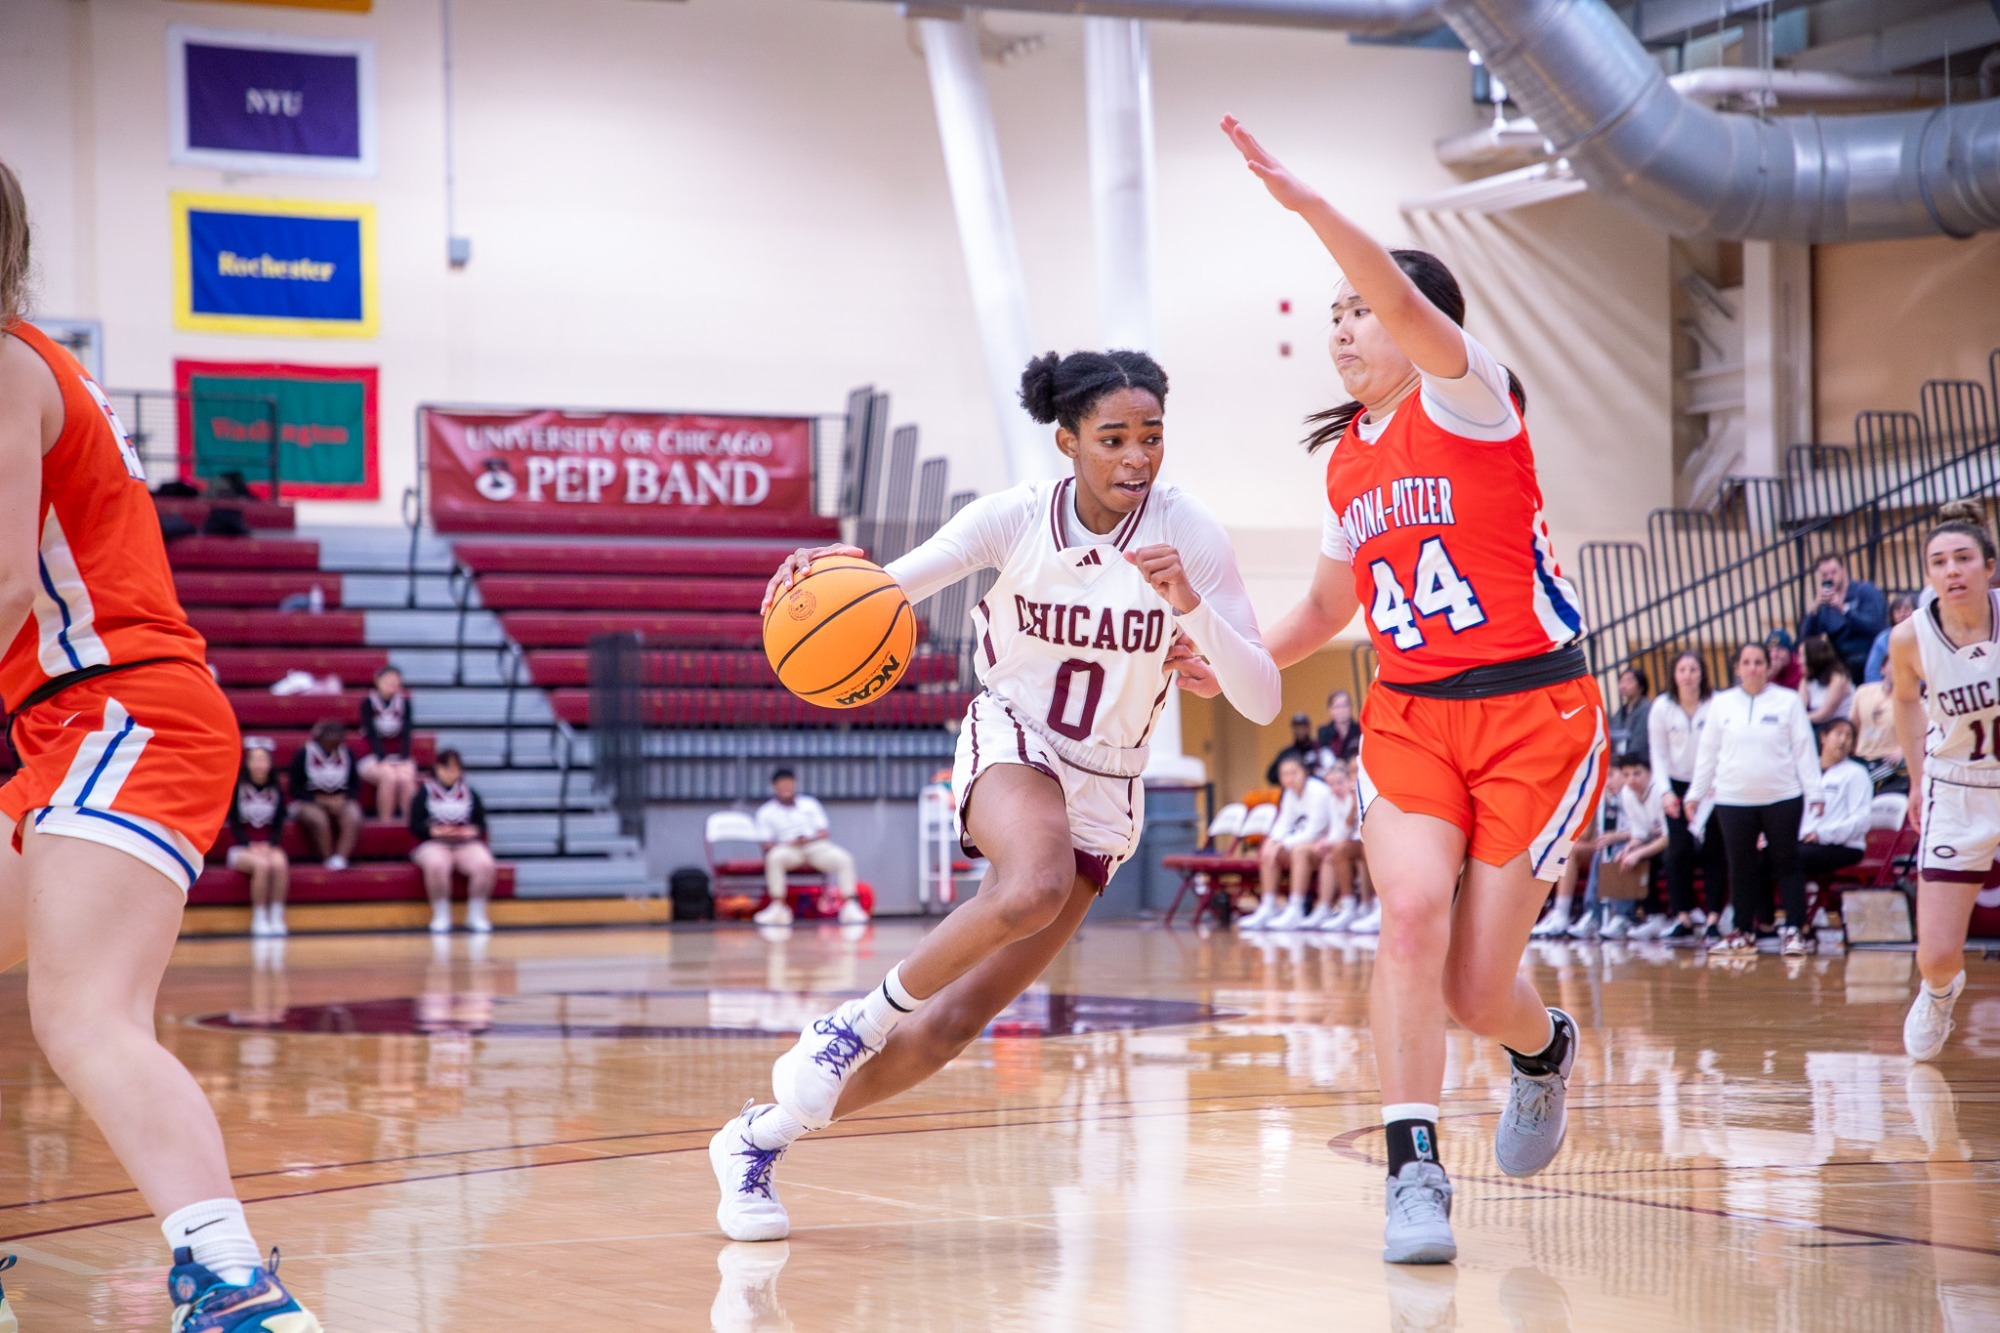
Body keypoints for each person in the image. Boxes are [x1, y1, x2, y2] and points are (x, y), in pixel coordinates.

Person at [710, 346, 1281, 1244]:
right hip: (1015, 735)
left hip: (1110, 782)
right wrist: (815, 576)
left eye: (1152, 437)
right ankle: (848, 1025)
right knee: (1033, 884)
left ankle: (756, 1139)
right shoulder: (1014, 519)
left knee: (947, 1030)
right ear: (1067, 441)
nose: (1137, 456)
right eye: (1114, 438)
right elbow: (883, 590)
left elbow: (1262, 696)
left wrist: (1192, 609)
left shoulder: (1190, 533)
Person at [1184, 118, 1606, 1265]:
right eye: (1328, 313)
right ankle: (1411, 1171)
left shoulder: (1472, 398)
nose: (1338, 326)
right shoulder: (1347, 458)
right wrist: (1225, 657)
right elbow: (1326, 611)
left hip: (1535, 714)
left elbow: (1401, 299)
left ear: (1418, 322)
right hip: (1413, 714)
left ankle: (1541, 1048)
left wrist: (1310, 203)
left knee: (1479, 989)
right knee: (1407, 918)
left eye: (1354, 306)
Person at [0, 160, 318, 1327]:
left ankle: (232, 1284)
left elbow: (0, 584)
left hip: (121, 709)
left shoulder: (4, 363)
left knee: (85, 1011)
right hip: (68, 724)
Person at [1889, 501, 2000, 1062]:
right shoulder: (1910, 638)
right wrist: (1914, 781)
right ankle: (1939, 993)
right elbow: (1906, 704)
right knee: (1934, 954)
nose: (1952, 570)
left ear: (1989, 565)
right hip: (1956, 787)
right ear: (1928, 574)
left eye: (1963, 558)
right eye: (1939, 561)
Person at [1685, 642, 1821, 956]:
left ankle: (1795, 931)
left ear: (1767, 667)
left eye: (1759, 662)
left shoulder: (1787, 702)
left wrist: (1815, 792)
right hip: (1732, 799)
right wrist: (1694, 794)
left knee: (1786, 862)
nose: (1753, 668)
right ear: (1737, 668)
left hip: (1783, 796)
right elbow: (1707, 754)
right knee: (1740, 866)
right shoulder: (1721, 704)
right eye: (1746, 662)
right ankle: (1743, 932)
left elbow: (1804, 750)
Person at [1651, 651, 1729, 942]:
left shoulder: (1717, 703)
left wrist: (1715, 784)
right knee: (1677, 852)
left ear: (1702, 673)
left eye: (1693, 669)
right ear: (1674, 674)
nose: (1687, 675)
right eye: (1682, 669)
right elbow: (1657, 754)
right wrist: (1664, 792)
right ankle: (1682, 915)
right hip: (1676, 786)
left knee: (1713, 852)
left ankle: (1713, 919)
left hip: (1711, 787)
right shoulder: (1661, 707)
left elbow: (1724, 747)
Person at [751, 768, 867, 927]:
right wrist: (788, 843)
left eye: (789, 784)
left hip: (815, 847)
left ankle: (850, 905)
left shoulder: (809, 804)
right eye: (782, 785)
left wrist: (808, 839)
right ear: (774, 787)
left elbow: (824, 832)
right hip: (788, 849)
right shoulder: (766, 812)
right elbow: (766, 843)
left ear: (795, 784)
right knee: (774, 858)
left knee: (844, 858)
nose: (786, 788)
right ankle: (778, 906)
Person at [1237, 753, 1334, 930]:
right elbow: (1283, 823)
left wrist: (1283, 844)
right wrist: (1274, 842)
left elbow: (1314, 830)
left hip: (1324, 843)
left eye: (1293, 772)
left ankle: (1295, 907)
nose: (1289, 778)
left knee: (1298, 851)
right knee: (1268, 850)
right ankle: (1269, 905)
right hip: (1303, 842)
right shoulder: (1289, 794)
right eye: (1284, 774)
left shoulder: (1318, 792)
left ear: (1304, 772)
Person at [1531, 763, 1625, 940]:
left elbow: (1584, 834)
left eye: (1611, 774)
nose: (1607, 780)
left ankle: (1563, 913)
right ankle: (1552, 913)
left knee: (1567, 850)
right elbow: (1584, 834)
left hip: (1618, 845)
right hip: (1599, 846)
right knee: (1550, 849)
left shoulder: (1624, 795)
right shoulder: (1590, 794)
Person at [409, 749, 496, 935]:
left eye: (455, 769)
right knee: (437, 863)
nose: (451, 774)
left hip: (464, 844)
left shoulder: (470, 792)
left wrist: (473, 831)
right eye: (446, 769)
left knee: (484, 864)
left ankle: (476, 913)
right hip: (432, 843)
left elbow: (481, 823)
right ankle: (441, 913)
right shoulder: (424, 792)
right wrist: (434, 831)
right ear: (437, 769)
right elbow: (414, 825)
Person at [1799, 718, 1872, 914]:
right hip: (1807, 842)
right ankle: (1762, 924)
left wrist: (1822, 835)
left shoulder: (1857, 773)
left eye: (1849, 736)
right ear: (1823, 737)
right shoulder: (1807, 771)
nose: (1843, 740)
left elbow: (1861, 820)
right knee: (1761, 857)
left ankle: (1798, 922)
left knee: (1792, 858)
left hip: (1844, 846)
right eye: (1838, 734)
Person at [1594, 753, 1670, 939]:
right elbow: (1639, 834)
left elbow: (1669, 837)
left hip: (1674, 842)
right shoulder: (1627, 793)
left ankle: (1671, 914)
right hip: (1653, 840)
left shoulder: (1660, 791)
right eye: (1626, 775)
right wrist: (1630, 847)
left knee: (1661, 857)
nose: (1631, 780)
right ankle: (1629, 917)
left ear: (1650, 773)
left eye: (1637, 774)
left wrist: (1638, 852)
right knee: (1622, 854)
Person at [227, 739, 290, 939]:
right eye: (255, 759)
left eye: (263, 759)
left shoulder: (276, 787)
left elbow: (280, 821)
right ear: (247, 763)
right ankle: (259, 916)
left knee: (279, 863)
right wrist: (249, 844)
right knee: (261, 866)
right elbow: (234, 822)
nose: (259, 764)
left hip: (267, 843)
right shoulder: (238, 786)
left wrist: (270, 844)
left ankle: (276, 914)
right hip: (240, 847)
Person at [1800, 553, 1887, 685]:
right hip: (1841, 664)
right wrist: (1815, 608)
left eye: (1833, 572)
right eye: (1824, 575)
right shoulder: (1825, 605)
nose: (1830, 578)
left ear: (1843, 570)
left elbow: (1875, 625)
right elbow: (1807, 638)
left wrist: (1844, 609)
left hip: (1868, 654)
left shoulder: (1865, 591)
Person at [287, 718, 362, 870]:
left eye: (336, 738)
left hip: (340, 798)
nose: (332, 741)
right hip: (309, 800)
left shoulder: (347, 753)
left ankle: (340, 858)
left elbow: (355, 785)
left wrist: (344, 798)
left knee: (354, 815)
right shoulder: (305, 754)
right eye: (329, 738)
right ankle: (327, 857)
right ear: (319, 738)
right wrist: (319, 800)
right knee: (319, 819)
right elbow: (294, 788)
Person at [1311, 763, 1372, 932]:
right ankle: (1331, 906)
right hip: (1351, 841)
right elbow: (1339, 830)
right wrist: (1325, 842)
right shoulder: (1333, 800)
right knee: (1331, 857)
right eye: (1331, 784)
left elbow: (1349, 830)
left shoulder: (1356, 795)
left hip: (1363, 841)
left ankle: (1368, 905)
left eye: (1339, 782)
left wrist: (1353, 805)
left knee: (1342, 852)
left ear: (1348, 780)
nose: (1335, 788)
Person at [358, 664, 419, 822]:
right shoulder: (368, 703)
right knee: (388, 777)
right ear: (378, 680)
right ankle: (386, 822)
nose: (392, 684)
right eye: (388, 680)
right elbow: (371, 734)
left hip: (398, 755)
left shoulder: (404, 703)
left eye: (395, 681)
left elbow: (407, 732)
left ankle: (410, 823)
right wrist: (382, 759)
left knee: (406, 778)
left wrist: (404, 759)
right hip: (372, 756)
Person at [1801, 634, 1854, 732]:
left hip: (1839, 726)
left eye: (1802, 656)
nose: (1799, 661)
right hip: (1818, 726)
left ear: (1813, 656)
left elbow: (1824, 715)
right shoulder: (1806, 680)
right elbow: (1800, 708)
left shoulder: (1839, 679)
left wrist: (1800, 719)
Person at [1864, 592, 1918, 684]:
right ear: (1892, 614)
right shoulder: (1883, 640)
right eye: (1898, 610)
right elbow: (1872, 674)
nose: (1902, 614)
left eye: (1906, 609)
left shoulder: (1923, 635)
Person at [1607, 666, 1653, 766]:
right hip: (1622, 764)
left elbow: (1640, 742)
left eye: (1629, 681)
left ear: (1641, 686)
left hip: (1640, 764)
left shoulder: (1646, 708)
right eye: (1621, 681)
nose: (1623, 685)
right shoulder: (1621, 712)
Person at [1265, 711, 1324, 784]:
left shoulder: (1319, 749)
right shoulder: (1287, 753)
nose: (1299, 731)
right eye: (1296, 728)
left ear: (1308, 728)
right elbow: (1271, 776)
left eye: (1302, 727)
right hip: (1293, 791)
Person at [1317, 689, 1363, 764]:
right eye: (1337, 706)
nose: (1341, 710)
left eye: (1344, 706)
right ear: (1330, 710)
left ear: (1351, 707)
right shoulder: (1323, 733)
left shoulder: (1360, 729)